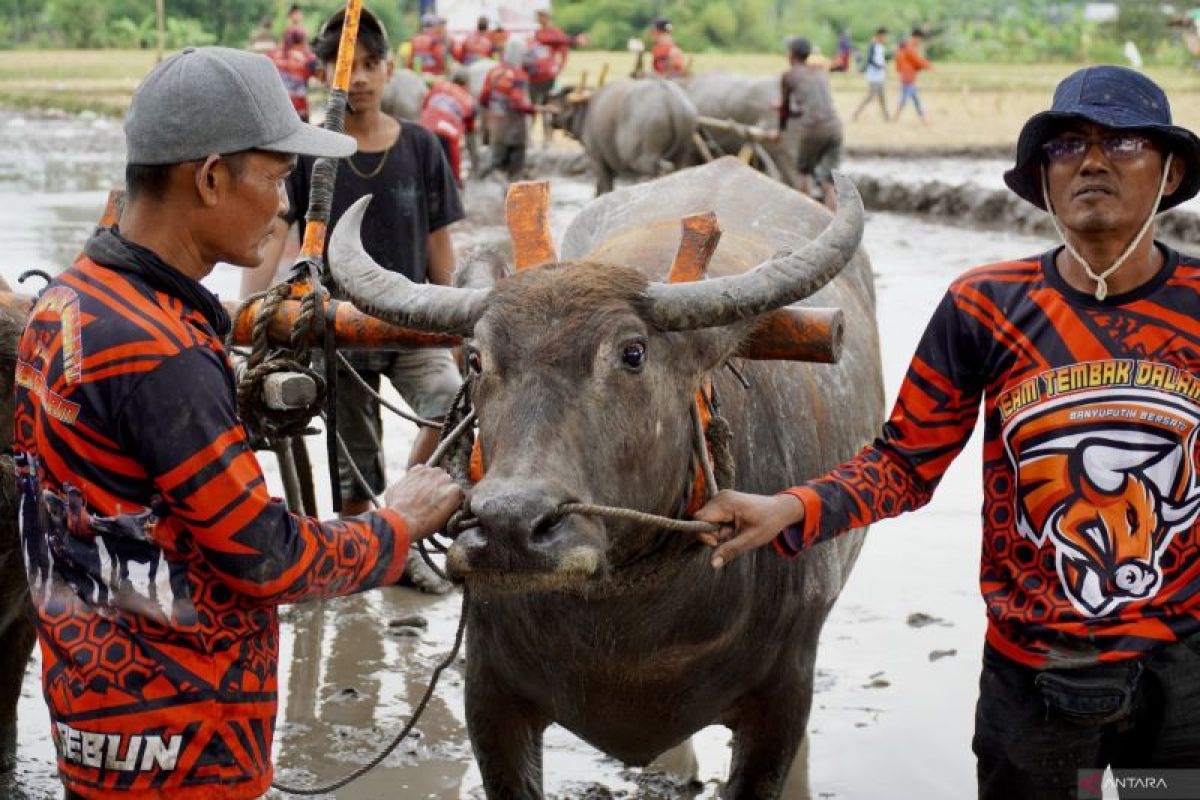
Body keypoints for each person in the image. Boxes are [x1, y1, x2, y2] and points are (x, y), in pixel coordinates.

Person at [694, 65, 1200, 798]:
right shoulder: (983, 306)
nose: (1092, 161)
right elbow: (905, 463)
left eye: (1122, 142)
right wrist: (792, 509)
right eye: (1066, 146)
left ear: (1170, 170)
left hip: (1180, 680)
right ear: (1043, 179)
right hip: (1039, 682)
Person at [16, 46, 462, 800]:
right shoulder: (160, 353)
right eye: (276, 175)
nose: (286, 204)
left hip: (94, 718)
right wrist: (396, 526)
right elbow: (266, 558)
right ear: (211, 176)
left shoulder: (66, 302)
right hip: (185, 742)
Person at [243, 7, 465, 518]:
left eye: (371, 65)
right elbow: (275, 233)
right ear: (325, 76)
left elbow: (439, 244)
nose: (360, 79)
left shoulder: (422, 146)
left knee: (453, 411)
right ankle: (367, 559)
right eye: (349, 68)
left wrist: (454, 325)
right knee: (354, 473)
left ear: (390, 70)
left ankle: (407, 513)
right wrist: (249, 312)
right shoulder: (309, 151)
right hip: (337, 329)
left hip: (412, 322)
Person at [778, 36, 842, 210]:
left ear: (791, 55)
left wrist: (780, 130)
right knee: (828, 182)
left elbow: (784, 110)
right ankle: (835, 222)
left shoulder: (788, 76)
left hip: (812, 129)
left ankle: (803, 216)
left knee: (802, 173)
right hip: (835, 128)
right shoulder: (820, 72)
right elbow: (815, 104)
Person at [478, 37, 537, 183]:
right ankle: (509, 198)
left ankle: (483, 186)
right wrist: (533, 109)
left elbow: (483, 98)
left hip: (496, 128)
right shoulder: (519, 75)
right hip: (515, 130)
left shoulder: (494, 72)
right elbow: (518, 103)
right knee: (515, 172)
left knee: (496, 164)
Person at [526, 8, 587, 146]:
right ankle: (530, 137)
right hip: (534, 77)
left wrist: (559, 67)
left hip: (547, 76)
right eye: (539, 17)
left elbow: (562, 48)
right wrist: (574, 40)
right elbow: (545, 41)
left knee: (548, 105)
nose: (541, 19)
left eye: (543, 16)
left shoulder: (555, 33)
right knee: (533, 106)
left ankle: (547, 138)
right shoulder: (537, 33)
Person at [421, 67, 476, 186]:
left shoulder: (439, 86)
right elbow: (470, 131)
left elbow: (425, 103)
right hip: (447, 134)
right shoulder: (468, 100)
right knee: (451, 179)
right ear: (467, 84)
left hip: (424, 127)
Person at [269, 26, 319, 121]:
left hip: (276, 110)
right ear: (302, 41)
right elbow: (322, 75)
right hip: (299, 111)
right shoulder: (306, 58)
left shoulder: (272, 55)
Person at [851, 26, 890, 122]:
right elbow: (870, 60)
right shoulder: (873, 45)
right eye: (884, 36)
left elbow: (882, 58)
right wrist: (879, 66)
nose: (885, 38)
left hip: (880, 75)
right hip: (874, 75)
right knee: (870, 96)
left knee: (882, 97)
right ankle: (856, 114)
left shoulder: (881, 46)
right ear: (879, 35)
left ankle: (886, 117)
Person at [894, 28, 931, 122]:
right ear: (916, 37)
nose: (920, 41)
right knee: (906, 99)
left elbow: (916, 61)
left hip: (908, 76)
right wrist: (928, 66)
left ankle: (923, 119)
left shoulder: (908, 46)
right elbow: (917, 60)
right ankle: (896, 117)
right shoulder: (909, 47)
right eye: (920, 39)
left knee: (914, 99)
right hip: (908, 77)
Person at [408, 12, 448, 76]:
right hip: (434, 78)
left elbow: (409, 63)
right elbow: (443, 63)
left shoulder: (413, 41)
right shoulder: (437, 43)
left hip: (418, 77)